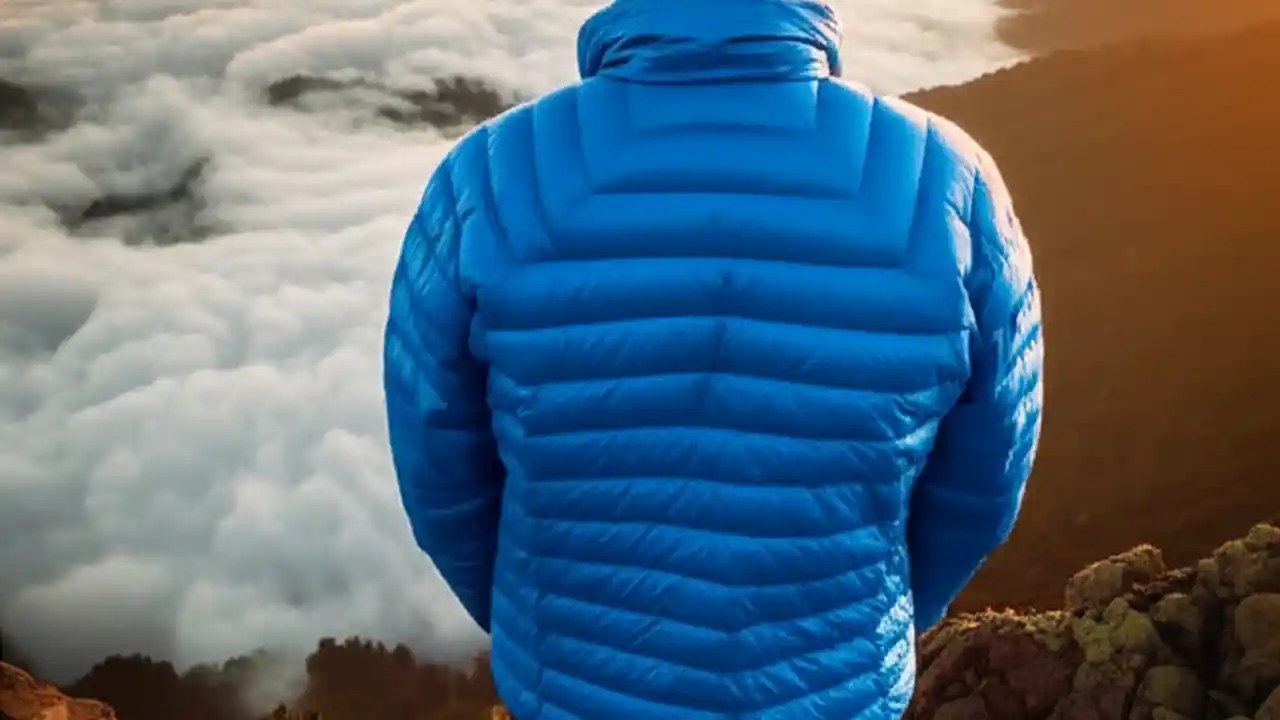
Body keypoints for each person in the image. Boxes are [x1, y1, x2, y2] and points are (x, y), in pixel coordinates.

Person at [382, 1, 1044, 718]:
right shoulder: (948, 184)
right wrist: (865, 620)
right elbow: (985, 479)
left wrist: (539, 618)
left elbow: (440, 471)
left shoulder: (487, 177)